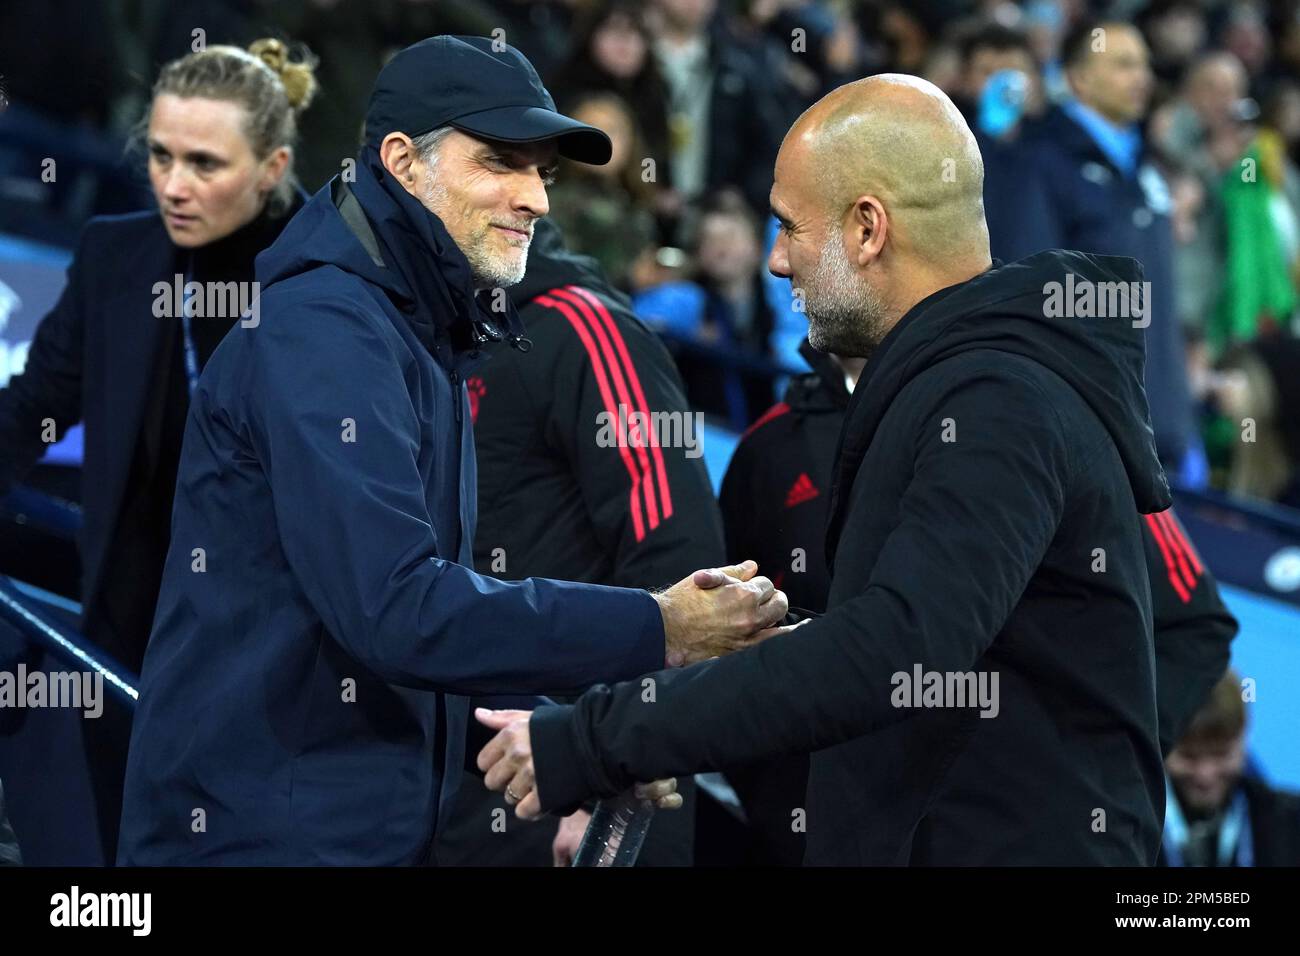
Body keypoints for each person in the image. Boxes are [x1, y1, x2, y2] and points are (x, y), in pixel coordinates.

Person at [116, 36, 789, 866]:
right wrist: (660, 627)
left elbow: (402, 628)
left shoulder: (418, 329)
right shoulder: (329, 328)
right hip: (257, 840)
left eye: (541, 171)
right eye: (499, 163)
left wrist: (585, 741)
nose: (534, 197)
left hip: (334, 828)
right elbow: (396, 609)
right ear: (402, 161)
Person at [477, 73, 1175, 866]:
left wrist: (601, 738)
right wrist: (768, 651)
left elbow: (899, 650)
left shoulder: (998, 396)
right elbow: (949, 658)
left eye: (788, 227)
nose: (776, 262)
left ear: (868, 228)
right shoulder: (962, 385)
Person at [719, 343, 1235, 862]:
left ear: (874, 255)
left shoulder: (1041, 406)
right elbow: (726, 652)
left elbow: (1196, 626)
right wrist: (790, 818)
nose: (780, 262)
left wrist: (1089, 772)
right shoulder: (767, 452)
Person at [0, 38, 317, 865]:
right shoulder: (117, 254)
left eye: (205, 163)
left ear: (271, 164)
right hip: (125, 632)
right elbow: (34, 407)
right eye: (161, 156)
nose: (174, 185)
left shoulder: (327, 282)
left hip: (274, 666)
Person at [436, 216, 725, 866]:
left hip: (561, 790)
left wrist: (602, 779)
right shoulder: (414, 340)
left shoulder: (585, 329)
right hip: (442, 785)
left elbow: (687, 578)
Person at [1162, 670, 1300, 866]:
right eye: (1188, 757)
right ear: (1161, 745)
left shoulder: (1291, 824)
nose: (1205, 775)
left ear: (1244, 738)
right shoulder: (1125, 824)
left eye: (1221, 754)